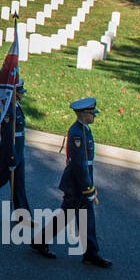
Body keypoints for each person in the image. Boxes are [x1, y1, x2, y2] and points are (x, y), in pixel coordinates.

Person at [0, 81, 55, 259]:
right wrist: (12, 157)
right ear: (14, 93)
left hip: (18, 150)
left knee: (19, 184)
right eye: (20, 92)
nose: (23, 94)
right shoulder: (9, 110)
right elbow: (7, 136)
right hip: (11, 152)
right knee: (0, 179)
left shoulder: (15, 106)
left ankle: (23, 215)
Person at [60, 97, 111, 268]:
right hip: (78, 184)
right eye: (91, 113)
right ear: (83, 114)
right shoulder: (77, 133)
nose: (94, 116)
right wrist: (88, 188)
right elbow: (79, 165)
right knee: (85, 218)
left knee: (70, 216)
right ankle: (91, 254)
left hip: (81, 182)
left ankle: (39, 241)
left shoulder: (84, 129)